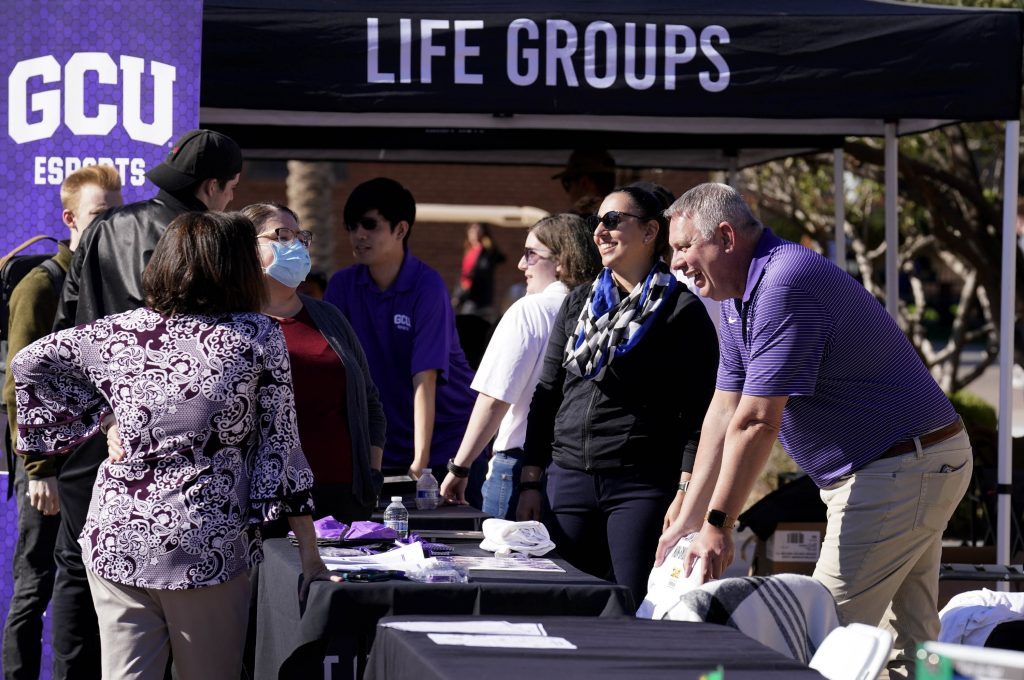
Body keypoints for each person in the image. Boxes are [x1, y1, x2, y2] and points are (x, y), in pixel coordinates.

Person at [657, 182, 972, 679]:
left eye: (682, 247)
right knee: (909, 648)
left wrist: (719, 524)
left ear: (725, 236)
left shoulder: (785, 281)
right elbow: (725, 407)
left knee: (821, 642)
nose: (675, 263)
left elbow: (759, 420)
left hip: (897, 468)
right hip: (904, 465)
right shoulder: (739, 295)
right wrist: (688, 520)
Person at [12, 211, 337, 680]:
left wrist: (105, 418)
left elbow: (29, 363)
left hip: (116, 535)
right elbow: (280, 447)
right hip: (205, 541)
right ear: (233, 268)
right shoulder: (256, 334)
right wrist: (309, 553)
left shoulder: (117, 331)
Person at [48, 128, 242, 679]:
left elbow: (66, 333)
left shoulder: (105, 228)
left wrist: (101, 416)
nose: (231, 201)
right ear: (210, 188)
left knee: (78, 582)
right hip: (178, 465)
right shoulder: (212, 245)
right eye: (230, 190)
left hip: (96, 451)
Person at [517, 184, 718, 606]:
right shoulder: (578, 303)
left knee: (630, 606)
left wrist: (684, 492)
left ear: (649, 233)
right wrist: (531, 478)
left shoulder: (682, 311)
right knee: (565, 604)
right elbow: (548, 392)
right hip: (567, 479)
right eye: (596, 223)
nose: (600, 233)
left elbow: (699, 414)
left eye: (612, 221)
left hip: (640, 486)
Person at [1, 164, 122, 680]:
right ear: (70, 218)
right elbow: (18, 383)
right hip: (49, 467)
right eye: (99, 215)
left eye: (116, 214)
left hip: (95, 463)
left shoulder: (112, 280)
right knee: (35, 586)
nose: (110, 225)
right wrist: (39, 467)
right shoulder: (40, 284)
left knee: (88, 584)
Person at [440, 214, 601, 519]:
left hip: (517, 466)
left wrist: (460, 466)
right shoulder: (599, 313)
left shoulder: (529, 310)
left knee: (507, 565)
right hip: (576, 472)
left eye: (531, 254)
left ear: (562, 261)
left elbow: (495, 398)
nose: (520, 265)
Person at [323, 178, 478, 489]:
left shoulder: (428, 286)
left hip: (447, 444)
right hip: (381, 444)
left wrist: (420, 464)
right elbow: (333, 373)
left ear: (401, 229)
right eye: (352, 226)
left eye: (369, 224)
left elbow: (425, 379)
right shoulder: (342, 286)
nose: (358, 235)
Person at [243, 202, 385, 522]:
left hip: (342, 495)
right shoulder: (231, 324)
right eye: (281, 236)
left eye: (300, 238)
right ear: (246, 247)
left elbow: (370, 402)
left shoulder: (328, 317)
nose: (294, 246)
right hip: (266, 502)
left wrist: (371, 473)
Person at [452, 222, 505, 322]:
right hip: (466, 294)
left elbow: (483, 270)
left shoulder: (486, 251)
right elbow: (463, 274)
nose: (474, 233)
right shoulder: (469, 251)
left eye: (477, 230)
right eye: (472, 231)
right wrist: (457, 294)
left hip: (478, 296)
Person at [552, 149, 617, 215]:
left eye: (567, 183)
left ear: (584, 182)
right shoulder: (622, 215)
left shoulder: (572, 221)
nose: (569, 192)